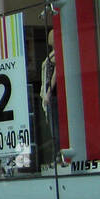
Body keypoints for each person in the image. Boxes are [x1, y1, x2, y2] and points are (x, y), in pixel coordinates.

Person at [39, 30, 58, 164]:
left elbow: (54, 77)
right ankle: (56, 155)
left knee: (55, 128)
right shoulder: (51, 55)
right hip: (48, 93)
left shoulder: (57, 56)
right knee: (52, 126)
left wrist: (48, 92)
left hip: (52, 94)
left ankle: (57, 156)